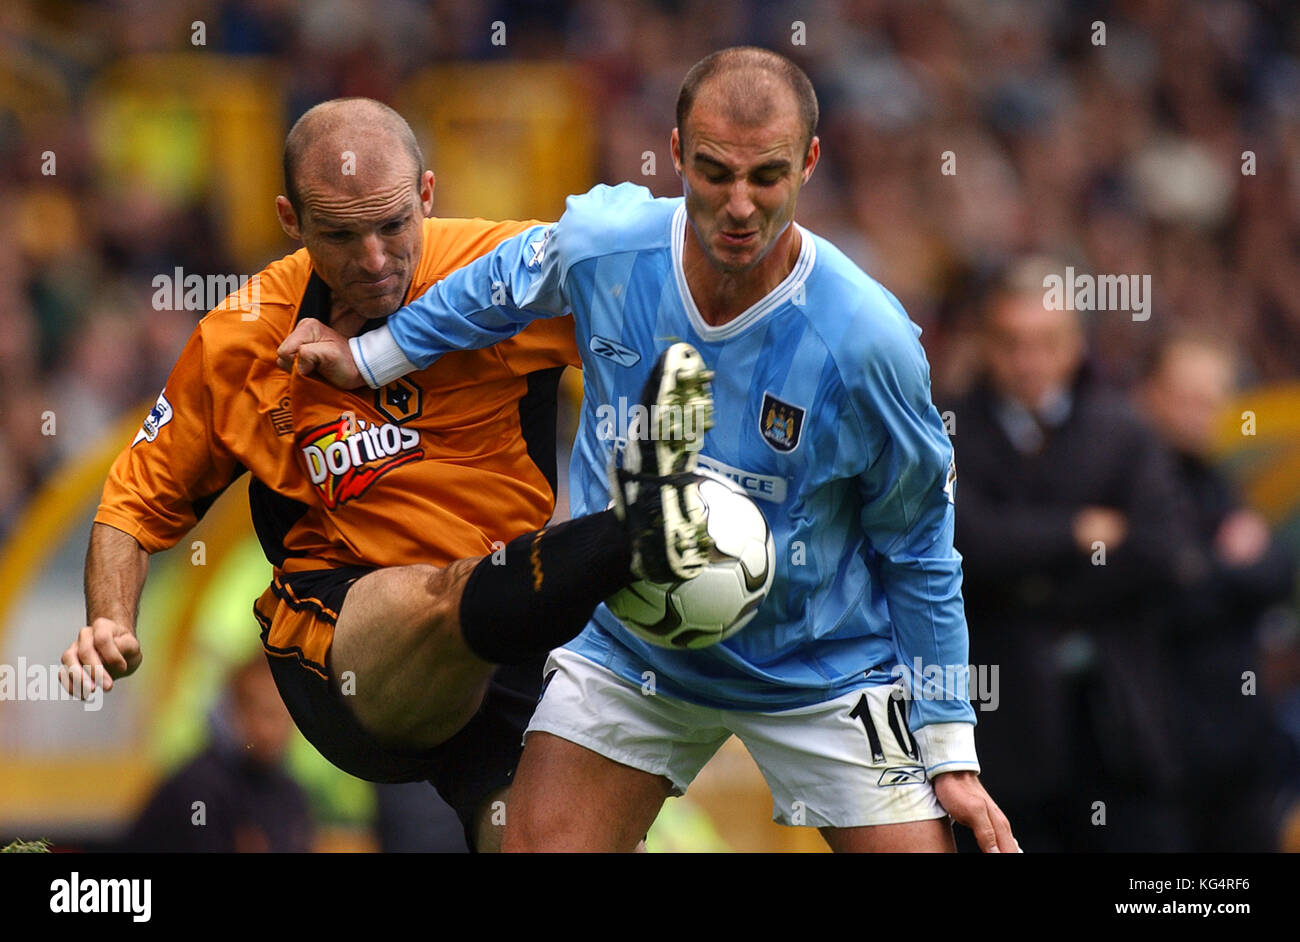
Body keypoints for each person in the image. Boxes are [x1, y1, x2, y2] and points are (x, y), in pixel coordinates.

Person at [279, 48, 1016, 853]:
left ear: (809, 161)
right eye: (714, 173)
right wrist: (372, 357)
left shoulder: (867, 340)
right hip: (632, 648)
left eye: (766, 177)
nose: (739, 206)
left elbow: (918, 546)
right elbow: (491, 291)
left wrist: (950, 747)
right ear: (675, 154)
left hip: (821, 664)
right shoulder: (605, 243)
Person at [60, 98, 713, 852]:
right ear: (290, 219)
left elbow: (668, 295)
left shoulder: (504, 275)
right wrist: (109, 619)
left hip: (516, 646)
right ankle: (636, 532)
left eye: (393, 225)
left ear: (427, 197)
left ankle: (633, 535)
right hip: (347, 645)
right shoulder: (239, 340)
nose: (373, 261)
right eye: (340, 233)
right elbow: (129, 507)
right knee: (446, 598)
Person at [942, 262, 1191, 852]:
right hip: (1002, 737)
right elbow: (960, 545)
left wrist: (1024, 572)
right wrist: (1076, 531)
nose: (1027, 361)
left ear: (1074, 345)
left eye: (1045, 343)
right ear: (984, 343)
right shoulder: (948, 431)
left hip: (1120, 727)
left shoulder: (1123, 430)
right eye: (1010, 343)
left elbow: (1165, 554)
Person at [1136, 331, 1296, 850]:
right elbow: (1170, 591)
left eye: (1212, 399)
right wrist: (1229, 568)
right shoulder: (1132, 478)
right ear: (1150, 394)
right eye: (1185, 397)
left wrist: (1213, 570)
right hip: (1163, 750)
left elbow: (1275, 572)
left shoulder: (1217, 478)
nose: (1199, 413)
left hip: (1239, 747)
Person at [119, 656, 313, 853]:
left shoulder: (291, 796)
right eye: (266, 714)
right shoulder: (198, 788)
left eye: (286, 715)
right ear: (235, 712)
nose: (276, 730)